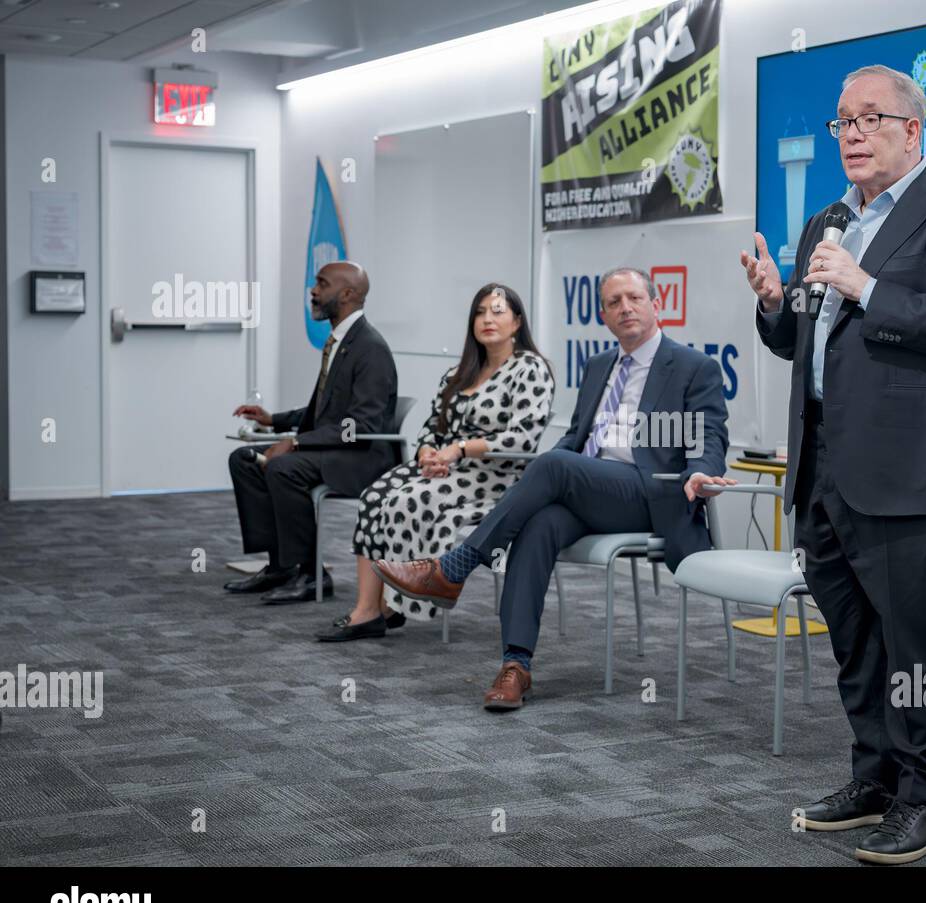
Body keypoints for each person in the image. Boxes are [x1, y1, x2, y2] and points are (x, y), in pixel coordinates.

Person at [741, 65, 926, 864]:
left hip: (908, 468)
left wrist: (867, 285)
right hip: (823, 462)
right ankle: (875, 776)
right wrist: (771, 303)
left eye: (868, 119)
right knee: (853, 636)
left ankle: (925, 798)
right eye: (841, 123)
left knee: (911, 638)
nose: (851, 135)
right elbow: (802, 343)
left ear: (912, 130)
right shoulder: (827, 218)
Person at [373, 267, 736, 710]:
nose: (625, 308)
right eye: (614, 302)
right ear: (603, 315)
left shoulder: (692, 367)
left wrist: (701, 471)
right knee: (539, 523)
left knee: (555, 465)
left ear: (655, 305)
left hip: (651, 494)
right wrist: (558, 467)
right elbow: (578, 437)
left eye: (634, 298)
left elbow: (710, 436)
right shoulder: (600, 364)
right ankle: (515, 666)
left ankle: (454, 567)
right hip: (593, 489)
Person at [319, 283, 554, 641]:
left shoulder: (530, 369)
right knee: (372, 498)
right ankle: (367, 610)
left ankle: (394, 604)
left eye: (497, 311)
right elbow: (432, 428)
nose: (487, 319)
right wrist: (427, 452)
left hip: (495, 475)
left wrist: (459, 449)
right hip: (442, 468)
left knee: (407, 499)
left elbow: (522, 438)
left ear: (517, 322)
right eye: (480, 312)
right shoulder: (458, 373)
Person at [227, 261, 399, 604]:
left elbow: (358, 426)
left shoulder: (370, 347)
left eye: (322, 284)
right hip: (336, 450)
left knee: (284, 466)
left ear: (347, 294)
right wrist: (274, 419)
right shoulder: (341, 342)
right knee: (245, 459)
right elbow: (326, 412)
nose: (313, 290)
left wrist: (297, 441)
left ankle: (310, 573)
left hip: (361, 458)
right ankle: (279, 565)